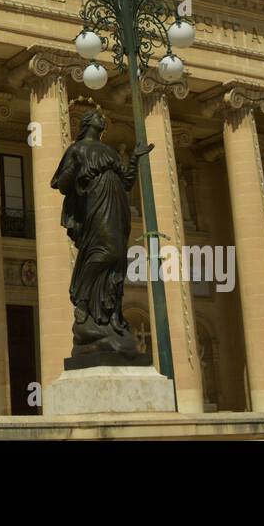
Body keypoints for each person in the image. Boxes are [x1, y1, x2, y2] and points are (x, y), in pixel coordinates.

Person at [51, 110, 152, 363]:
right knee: (107, 251)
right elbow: (62, 183)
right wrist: (78, 180)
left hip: (116, 205)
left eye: (102, 116)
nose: (101, 118)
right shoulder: (77, 150)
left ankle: (108, 315)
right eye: (95, 116)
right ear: (87, 123)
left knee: (118, 258)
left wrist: (136, 160)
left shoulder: (110, 152)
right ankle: (83, 304)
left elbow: (127, 182)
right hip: (95, 204)